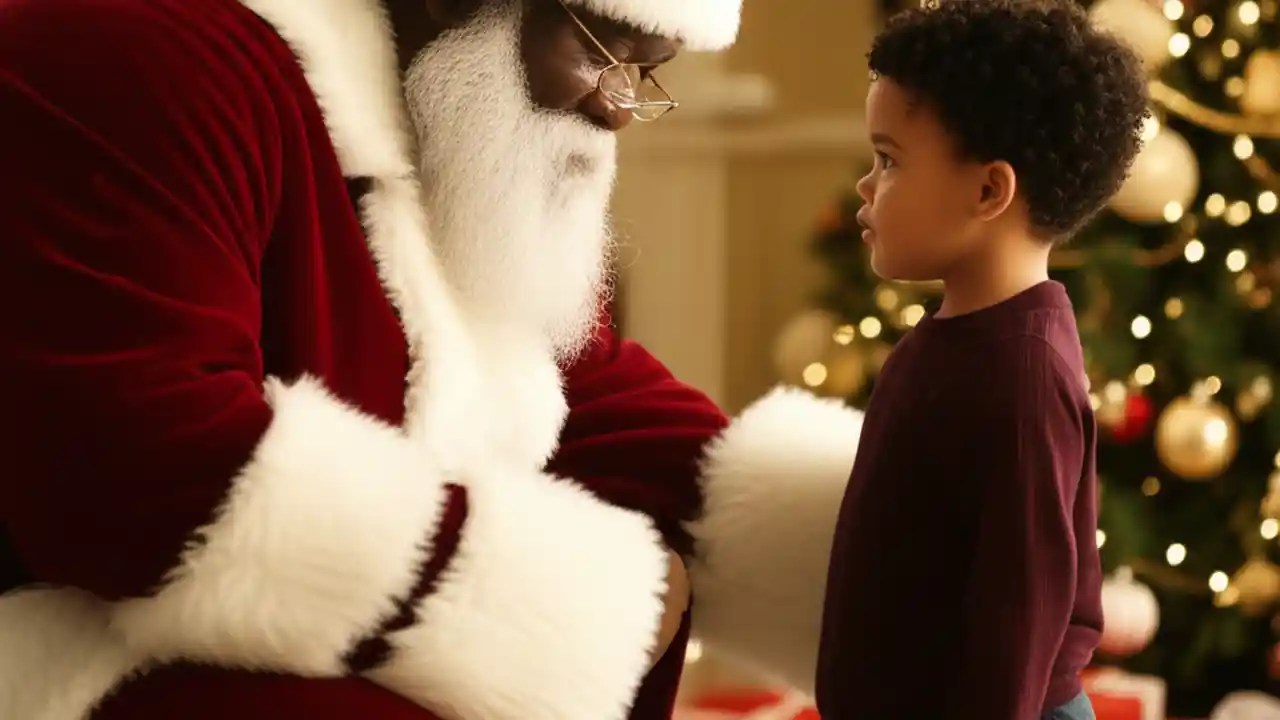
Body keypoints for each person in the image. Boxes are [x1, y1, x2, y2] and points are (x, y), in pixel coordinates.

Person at [0, 0, 869, 719]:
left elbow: (582, 394)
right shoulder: (138, 44)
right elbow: (130, 472)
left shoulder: (442, 117)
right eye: (605, 48)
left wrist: (885, 538)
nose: (617, 106)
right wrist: (582, 605)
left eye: (650, 70)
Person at [815, 1, 1149, 718]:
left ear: (989, 189)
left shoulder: (1019, 381)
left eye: (889, 160)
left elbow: (1015, 622)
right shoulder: (952, 340)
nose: (865, 187)